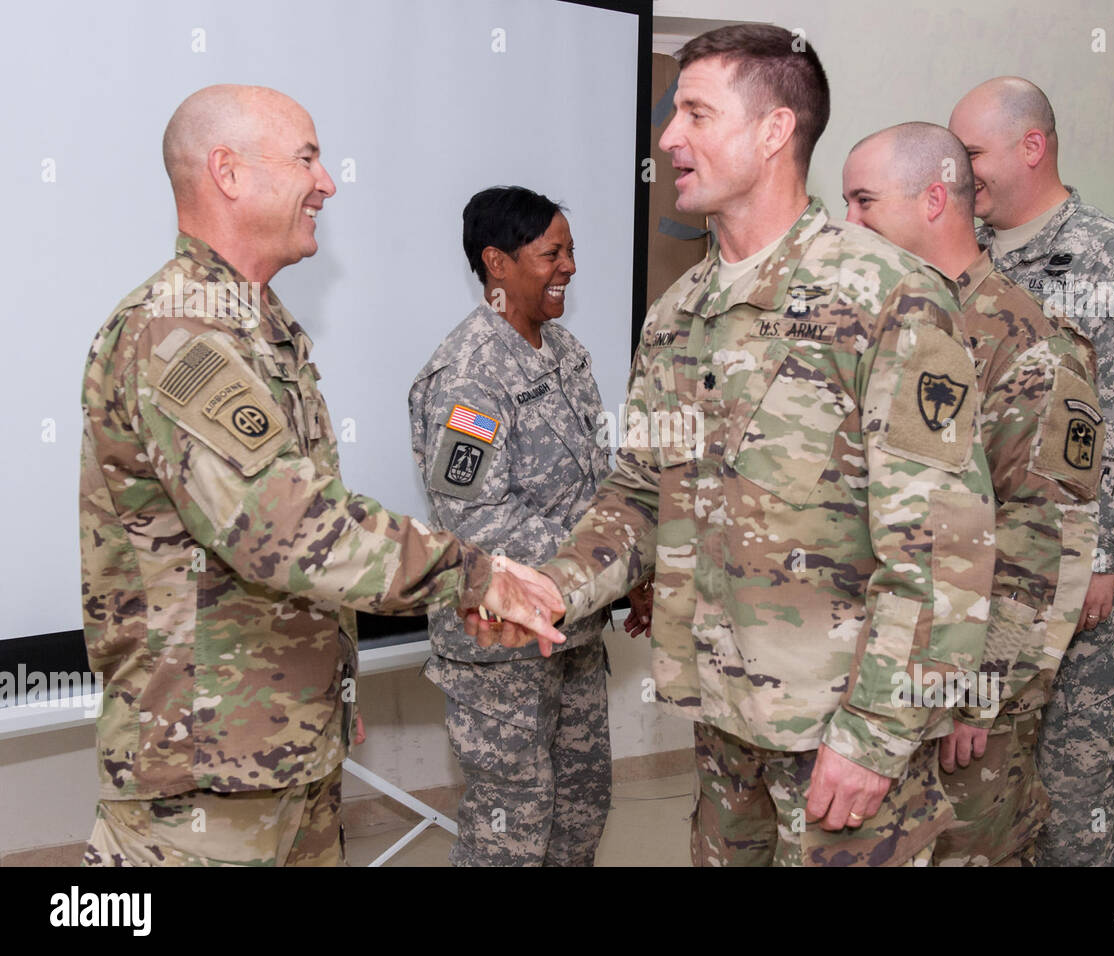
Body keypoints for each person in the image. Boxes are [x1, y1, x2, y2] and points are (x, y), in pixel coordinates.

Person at [477, 24, 997, 867]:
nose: (669, 137)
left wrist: (871, 737)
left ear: (773, 132)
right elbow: (641, 496)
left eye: (695, 113)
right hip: (725, 726)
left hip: (842, 735)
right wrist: (554, 587)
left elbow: (944, 549)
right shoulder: (678, 314)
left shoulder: (886, 296)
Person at [78, 85, 563, 867]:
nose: (328, 181)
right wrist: (476, 575)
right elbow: (291, 529)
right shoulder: (179, 333)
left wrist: (327, 688)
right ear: (228, 172)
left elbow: (304, 535)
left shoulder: (260, 329)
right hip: (202, 779)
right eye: (306, 157)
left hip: (282, 750)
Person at [841, 123, 1102, 866]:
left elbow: (1046, 534)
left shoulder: (1031, 341)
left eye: (864, 202)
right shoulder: (886, 321)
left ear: (932, 201)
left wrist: (976, 691)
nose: (847, 225)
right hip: (886, 678)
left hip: (970, 698)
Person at [949, 76, 1114, 867]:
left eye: (973, 152)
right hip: (981, 574)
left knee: (1069, 799)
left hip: (1084, 583)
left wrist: (1101, 554)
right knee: (984, 799)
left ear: (1032, 145)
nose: (959, 172)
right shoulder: (960, 258)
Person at [408, 186, 633, 866]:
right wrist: (602, 566)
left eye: (570, 252)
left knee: (581, 813)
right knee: (512, 832)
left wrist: (624, 572)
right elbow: (476, 518)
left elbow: (602, 479)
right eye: (550, 253)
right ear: (497, 264)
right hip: (499, 648)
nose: (567, 267)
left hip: (574, 632)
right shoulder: (467, 376)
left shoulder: (567, 353)